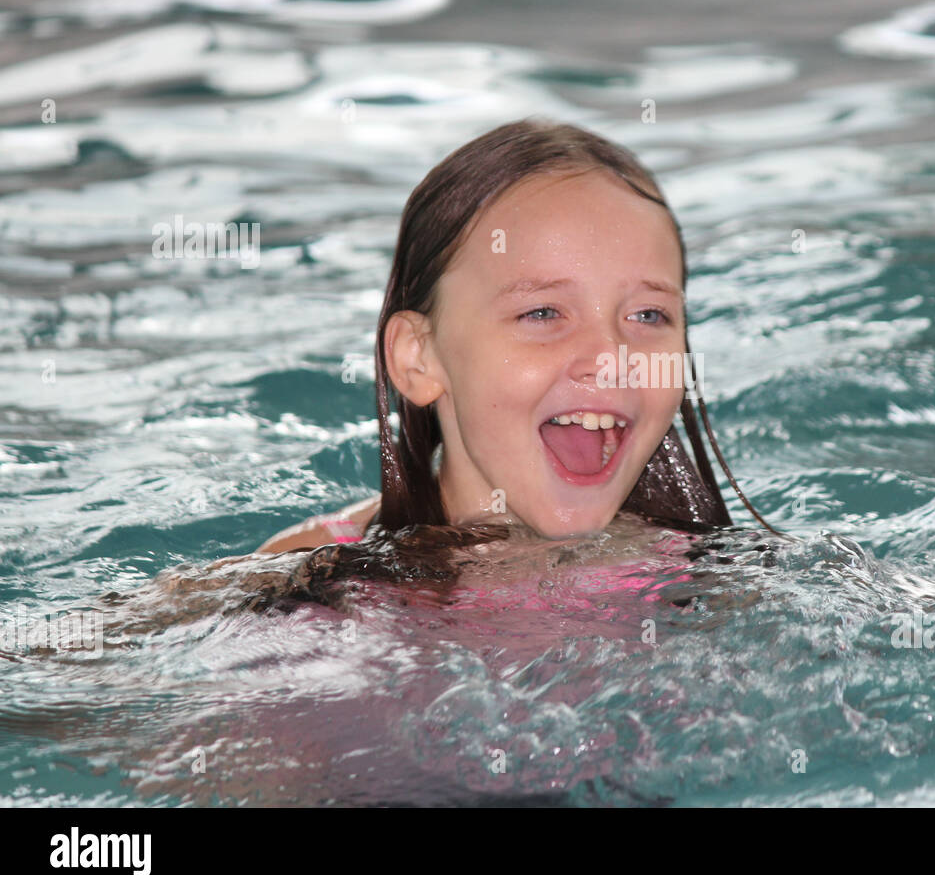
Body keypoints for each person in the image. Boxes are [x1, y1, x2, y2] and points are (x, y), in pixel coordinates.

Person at [257, 118, 773, 556]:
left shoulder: (713, 577)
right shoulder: (311, 574)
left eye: (649, 315)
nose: (610, 358)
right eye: (544, 312)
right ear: (418, 359)